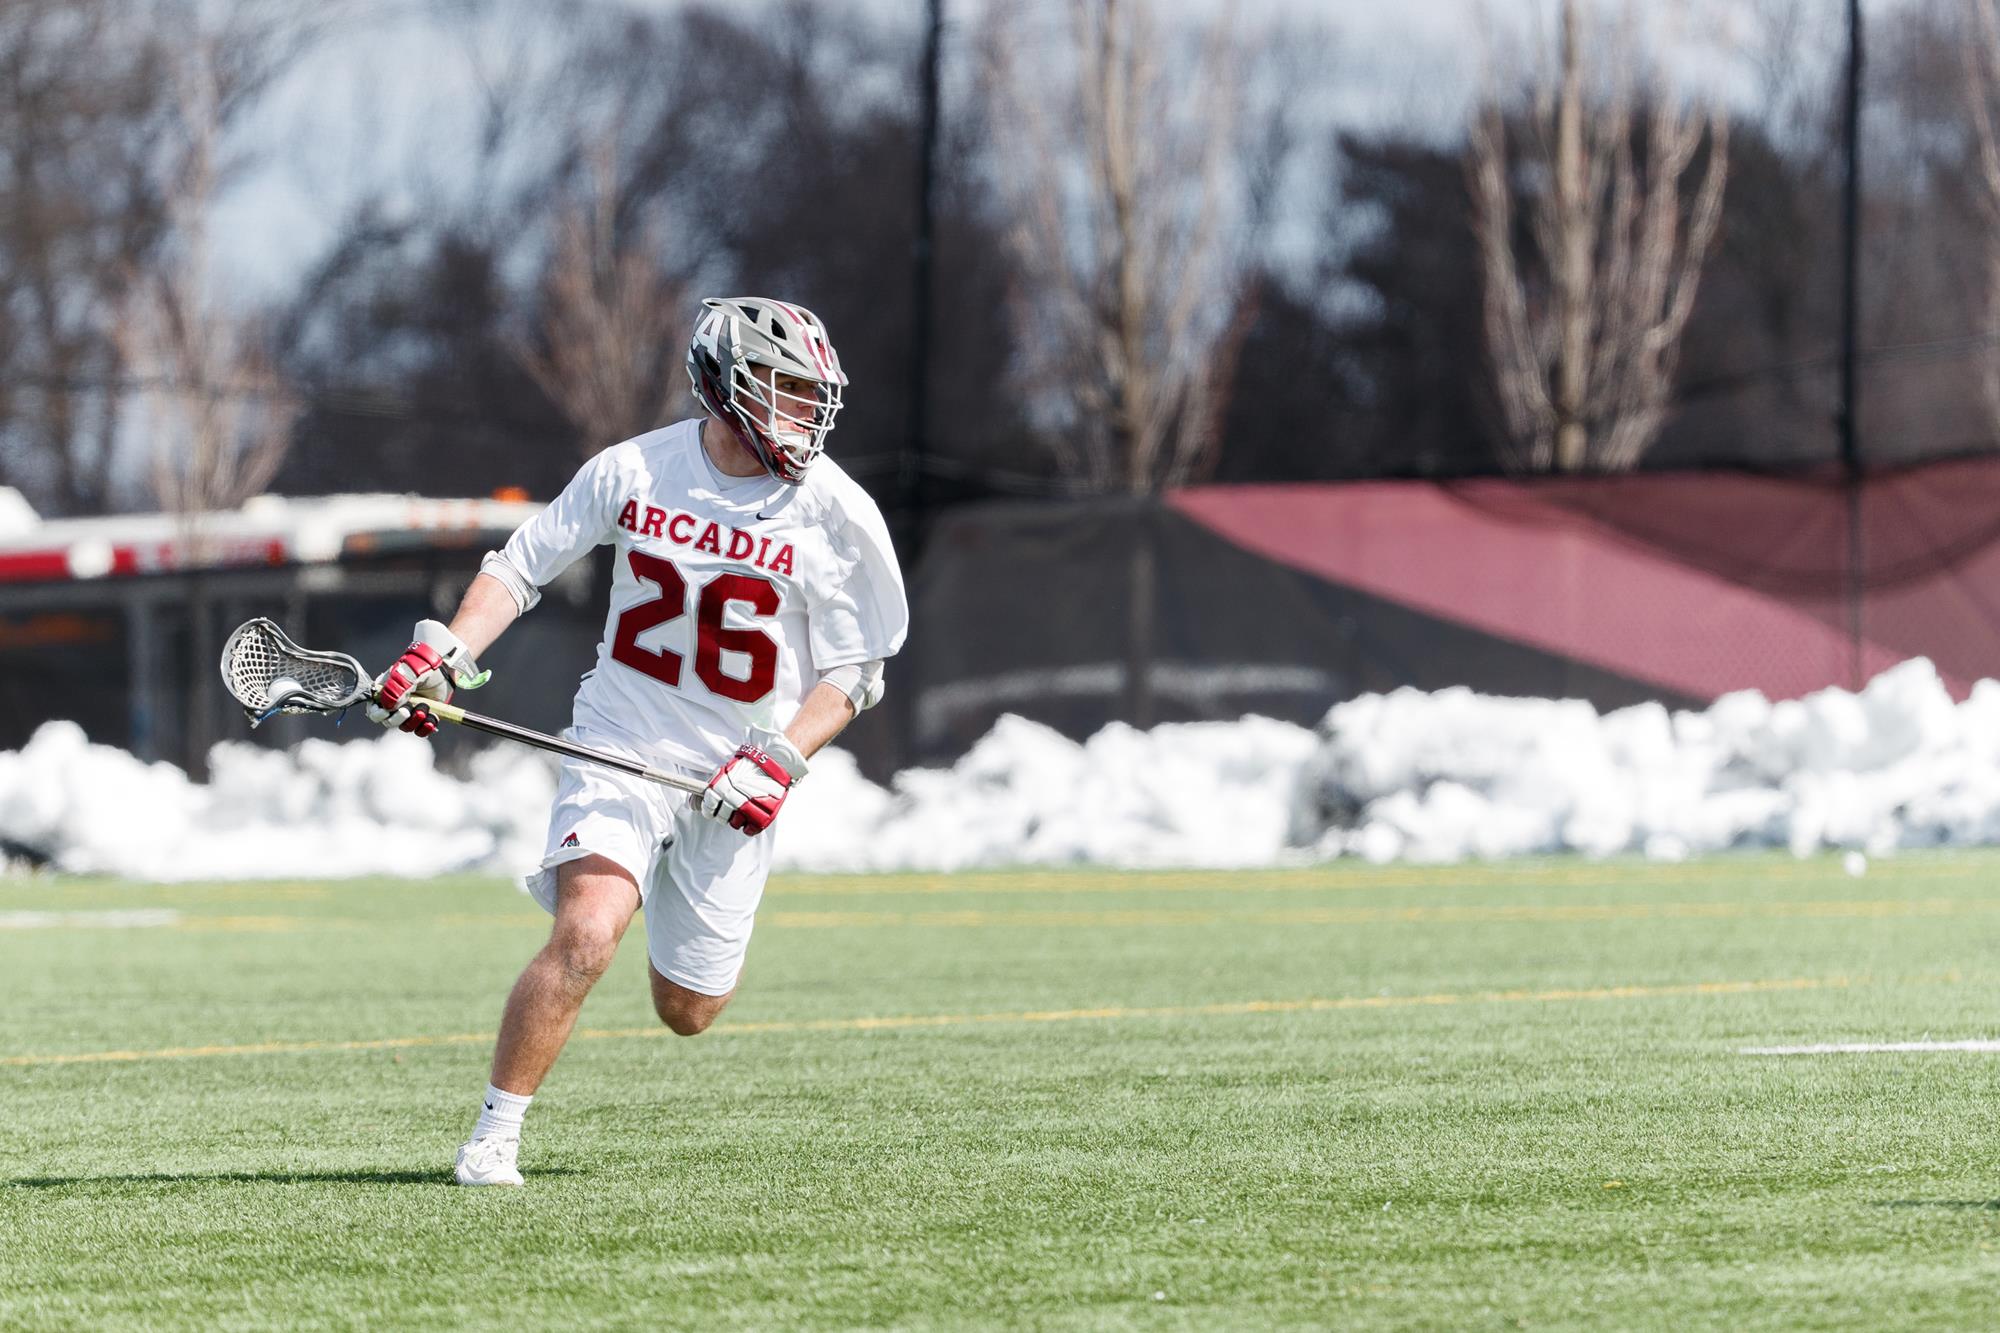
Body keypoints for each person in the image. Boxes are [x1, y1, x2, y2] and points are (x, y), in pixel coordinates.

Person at [368, 297, 907, 1186]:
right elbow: (520, 567)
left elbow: (856, 670)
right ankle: (493, 1139)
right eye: (781, 388)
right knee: (586, 933)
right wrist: (445, 654)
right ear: (725, 384)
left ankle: (660, 888)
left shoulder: (834, 511)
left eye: (811, 394)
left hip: (735, 773)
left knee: (688, 1008)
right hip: (621, 740)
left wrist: (780, 758)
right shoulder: (635, 470)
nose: (802, 412)